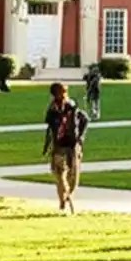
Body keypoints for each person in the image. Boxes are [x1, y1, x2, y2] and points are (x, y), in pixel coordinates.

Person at [43, 83, 89, 214]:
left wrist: (80, 137)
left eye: (64, 92)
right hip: (59, 146)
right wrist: (48, 146)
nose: (63, 95)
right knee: (59, 174)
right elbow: (50, 130)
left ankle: (68, 193)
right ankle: (63, 200)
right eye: (60, 93)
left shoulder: (72, 106)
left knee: (73, 177)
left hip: (73, 145)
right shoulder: (52, 111)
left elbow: (85, 120)